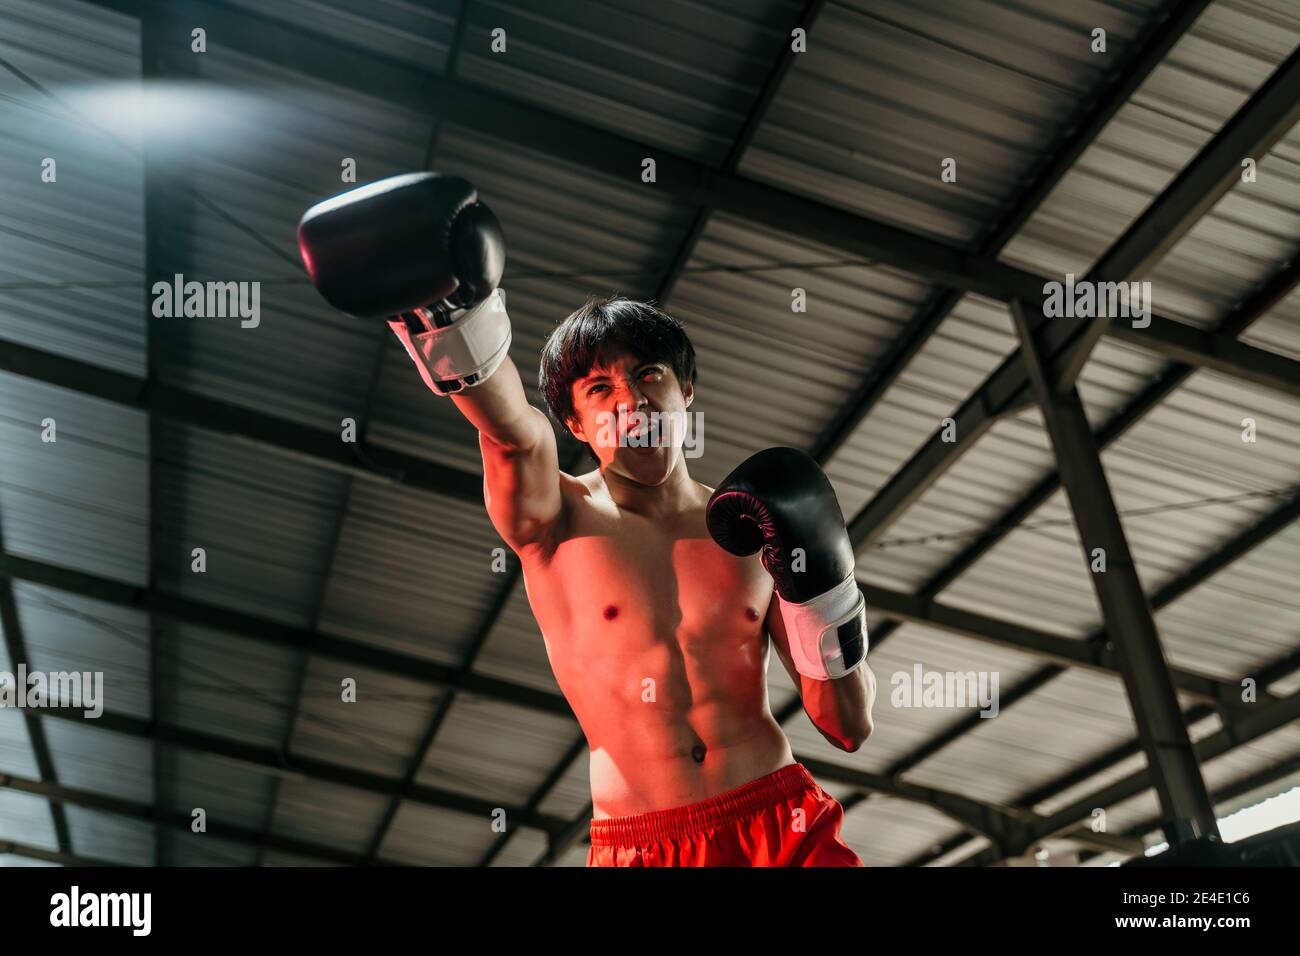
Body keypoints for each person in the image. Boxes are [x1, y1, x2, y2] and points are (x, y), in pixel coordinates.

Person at [298, 173, 876, 866]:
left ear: (685, 389)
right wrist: (445, 313)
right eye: (599, 388)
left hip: (777, 825)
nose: (629, 401)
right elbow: (511, 429)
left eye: (649, 375)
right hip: (641, 846)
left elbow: (847, 727)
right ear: (575, 420)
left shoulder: (751, 530)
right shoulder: (555, 518)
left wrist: (825, 593)